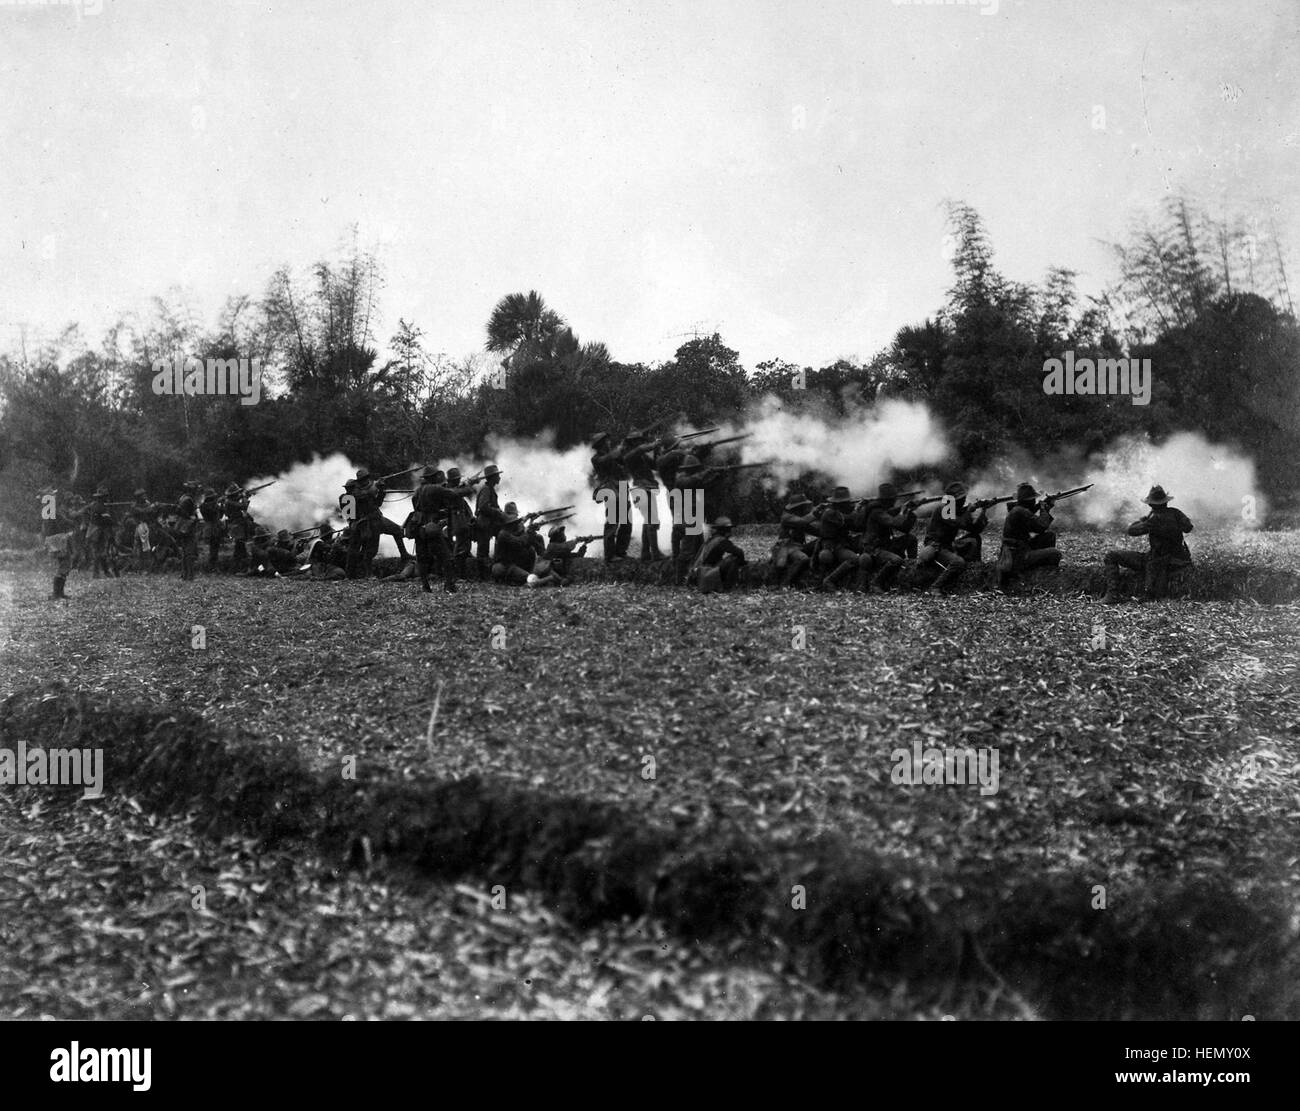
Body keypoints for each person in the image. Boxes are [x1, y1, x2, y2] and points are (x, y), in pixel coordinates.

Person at [1103, 485, 1194, 603]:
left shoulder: (1153, 519)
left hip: (1157, 560)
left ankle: (1112, 595)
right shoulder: (1176, 513)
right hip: (1179, 559)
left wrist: (1143, 520)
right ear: (1165, 502)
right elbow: (1188, 527)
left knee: (1111, 556)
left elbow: (1132, 531)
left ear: (1151, 504)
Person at [915, 481, 987, 594]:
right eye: (960, 499)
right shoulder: (944, 509)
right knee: (958, 562)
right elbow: (962, 523)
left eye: (964, 498)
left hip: (948, 545)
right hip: (936, 547)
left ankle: (975, 571)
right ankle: (935, 587)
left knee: (974, 539)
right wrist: (969, 511)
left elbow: (974, 529)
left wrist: (983, 511)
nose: (963, 500)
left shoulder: (954, 509)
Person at [997, 483, 1062, 593]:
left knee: (1049, 536)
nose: (1034, 501)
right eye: (1033, 499)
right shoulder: (1020, 512)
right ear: (1028, 501)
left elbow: (1033, 520)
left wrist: (1046, 507)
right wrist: (1043, 509)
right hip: (1018, 556)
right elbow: (1041, 526)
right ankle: (1042, 576)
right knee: (1055, 553)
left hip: (1018, 550)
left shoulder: (1017, 510)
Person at [854, 483, 916, 592]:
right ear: (887, 500)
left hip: (884, 544)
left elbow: (904, 528)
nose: (894, 501)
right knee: (896, 560)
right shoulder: (877, 512)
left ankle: (912, 569)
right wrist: (902, 511)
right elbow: (895, 523)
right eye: (893, 499)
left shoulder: (882, 510)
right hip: (873, 548)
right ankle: (876, 583)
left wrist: (910, 511)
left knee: (911, 538)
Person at [410, 466, 461, 593]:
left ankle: (425, 586)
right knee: (446, 556)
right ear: (434, 477)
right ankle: (449, 585)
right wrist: (468, 486)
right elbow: (454, 494)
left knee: (422, 558)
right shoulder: (435, 488)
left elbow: (414, 502)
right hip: (431, 526)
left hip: (418, 526)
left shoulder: (418, 490)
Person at [816, 487, 871, 591]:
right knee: (854, 559)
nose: (848, 503)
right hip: (832, 546)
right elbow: (846, 519)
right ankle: (829, 580)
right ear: (839, 503)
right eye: (846, 502)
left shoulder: (838, 511)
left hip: (843, 542)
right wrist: (857, 509)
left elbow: (855, 527)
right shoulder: (830, 513)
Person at [591, 433, 632, 562]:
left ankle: (621, 551)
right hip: (610, 490)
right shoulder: (596, 458)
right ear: (602, 444)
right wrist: (619, 449)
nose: (609, 442)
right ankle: (609, 555)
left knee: (626, 523)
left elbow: (624, 460)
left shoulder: (613, 455)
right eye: (607, 441)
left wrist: (625, 448)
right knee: (612, 523)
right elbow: (607, 459)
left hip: (621, 488)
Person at [770, 494, 819, 588]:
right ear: (798, 507)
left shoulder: (801, 518)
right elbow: (802, 522)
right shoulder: (787, 517)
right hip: (786, 546)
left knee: (819, 543)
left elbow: (816, 531)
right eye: (803, 506)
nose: (805, 508)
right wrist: (817, 513)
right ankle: (786, 582)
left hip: (798, 547)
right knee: (802, 559)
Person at [688, 516, 747, 593]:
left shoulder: (712, 539)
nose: (730, 532)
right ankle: (728, 586)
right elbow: (739, 552)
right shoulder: (721, 541)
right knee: (733, 559)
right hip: (704, 574)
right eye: (729, 530)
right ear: (725, 530)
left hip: (697, 573)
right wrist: (743, 564)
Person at [473, 464, 507, 579]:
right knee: (482, 551)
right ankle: (481, 576)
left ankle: (483, 575)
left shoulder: (489, 489)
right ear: (492, 477)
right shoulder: (486, 490)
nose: (499, 478)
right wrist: (497, 511)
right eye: (497, 475)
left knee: (484, 549)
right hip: (483, 524)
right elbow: (483, 507)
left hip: (487, 524)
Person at [41, 487, 75, 601]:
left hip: (52, 538)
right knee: (66, 563)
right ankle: (57, 593)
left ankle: (59, 593)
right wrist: (72, 523)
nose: (55, 496)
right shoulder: (52, 508)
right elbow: (62, 521)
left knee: (63, 563)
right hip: (58, 538)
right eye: (53, 495)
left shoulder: (46, 508)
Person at [491, 507, 537, 585]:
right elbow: (519, 542)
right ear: (509, 525)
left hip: (512, 563)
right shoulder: (503, 534)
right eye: (514, 523)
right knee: (530, 578)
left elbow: (526, 543)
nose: (516, 524)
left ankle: (518, 577)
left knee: (531, 550)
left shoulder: (511, 532)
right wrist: (528, 531)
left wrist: (531, 531)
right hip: (504, 566)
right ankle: (510, 580)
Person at [199, 487, 226, 570]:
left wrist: (221, 505)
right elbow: (212, 513)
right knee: (213, 548)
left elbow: (220, 514)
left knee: (215, 548)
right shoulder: (204, 506)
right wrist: (217, 504)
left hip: (215, 527)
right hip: (211, 528)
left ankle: (213, 566)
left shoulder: (212, 505)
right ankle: (211, 566)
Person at [173, 495, 199, 580]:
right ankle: (189, 575)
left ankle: (185, 575)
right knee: (189, 555)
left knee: (186, 554)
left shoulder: (182, 518)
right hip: (189, 537)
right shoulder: (188, 519)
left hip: (186, 536)